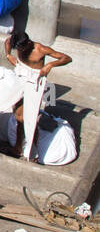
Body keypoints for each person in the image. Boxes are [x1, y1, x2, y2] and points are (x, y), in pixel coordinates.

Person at [5, 31, 71, 161]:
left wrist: (50, 65)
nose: (20, 51)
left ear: (28, 44)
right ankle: (18, 147)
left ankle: (33, 152)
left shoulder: (40, 49)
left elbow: (67, 58)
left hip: (35, 81)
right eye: (18, 49)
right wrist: (8, 55)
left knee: (31, 118)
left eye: (22, 49)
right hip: (21, 75)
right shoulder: (13, 41)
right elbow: (7, 42)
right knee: (19, 116)